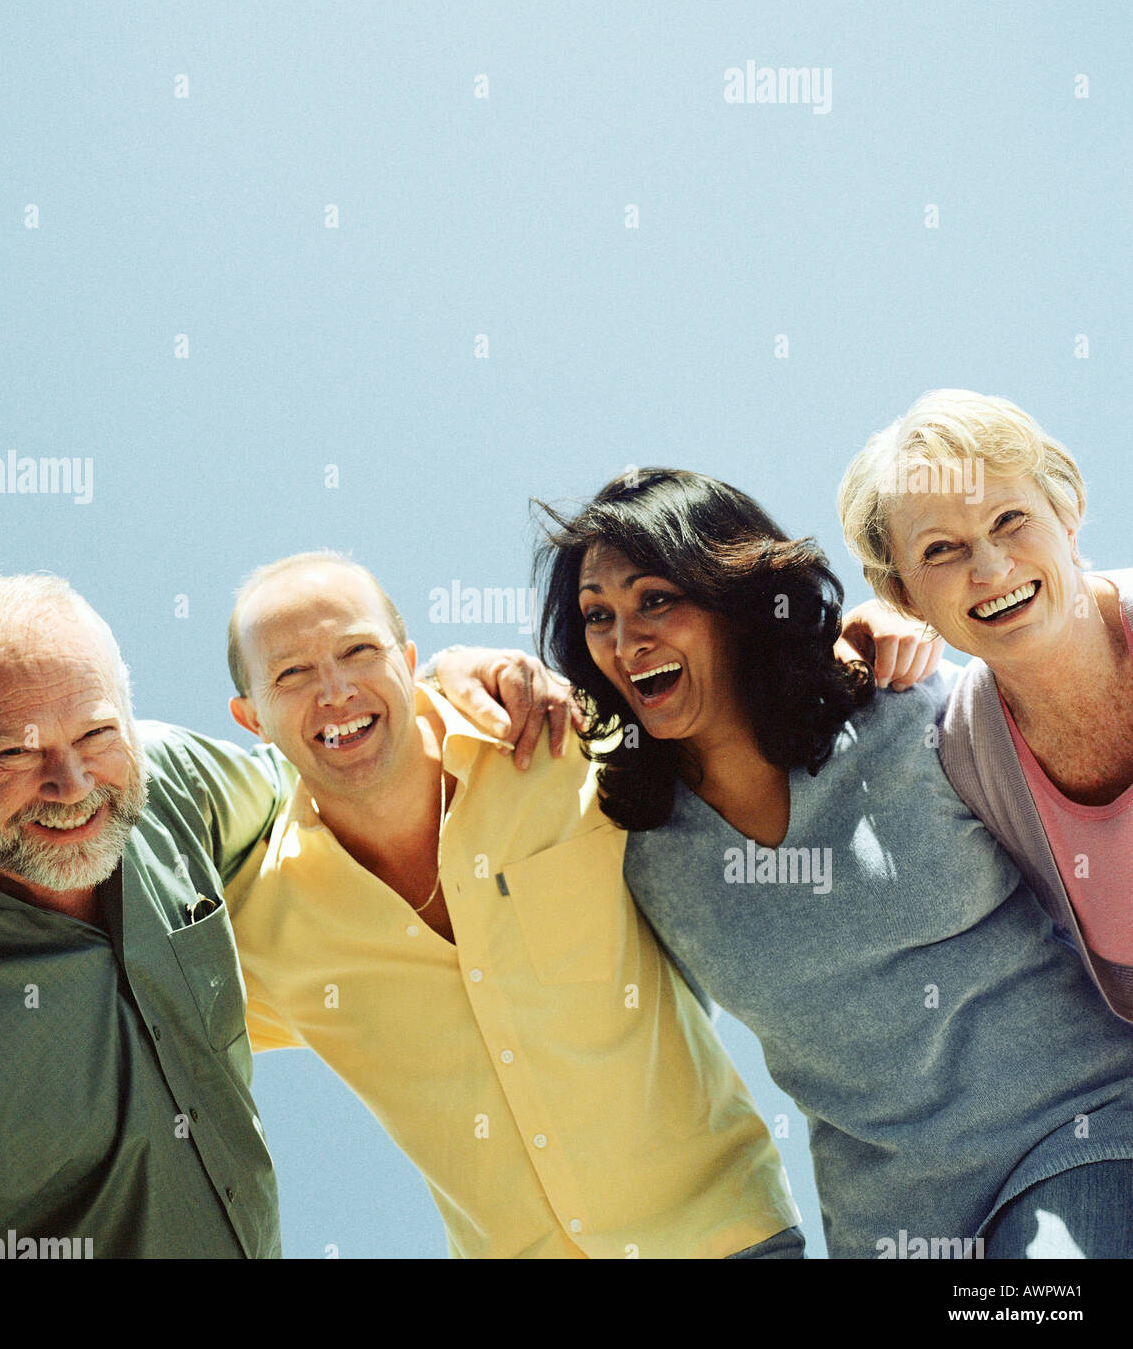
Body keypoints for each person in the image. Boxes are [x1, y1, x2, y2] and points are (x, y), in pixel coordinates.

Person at [0, 573, 570, 1258]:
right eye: (16, 755)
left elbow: (319, 756)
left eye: (95, 735)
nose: (73, 784)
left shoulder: (170, 785)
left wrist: (447, 681)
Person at [536, 468, 1133, 1260]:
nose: (625, 639)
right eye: (596, 617)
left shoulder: (906, 711)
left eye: (657, 599)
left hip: (1074, 1134)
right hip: (886, 1225)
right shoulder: (632, 847)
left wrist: (896, 622)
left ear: (736, 601)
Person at [222, 550, 803, 1259]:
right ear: (250, 717)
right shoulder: (262, 929)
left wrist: (873, 633)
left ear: (409, 659)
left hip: (726, 1238)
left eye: (358, 651)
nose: (337, 690)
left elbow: (739, 705)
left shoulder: (563, 743)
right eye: (292, 673)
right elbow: (132, 1029)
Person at [838, 388, 1133, 1022]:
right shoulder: (962, 755)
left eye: (1009, 520)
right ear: (903, 596)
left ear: (1067, 510)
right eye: (939, 550)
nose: (991, 567)